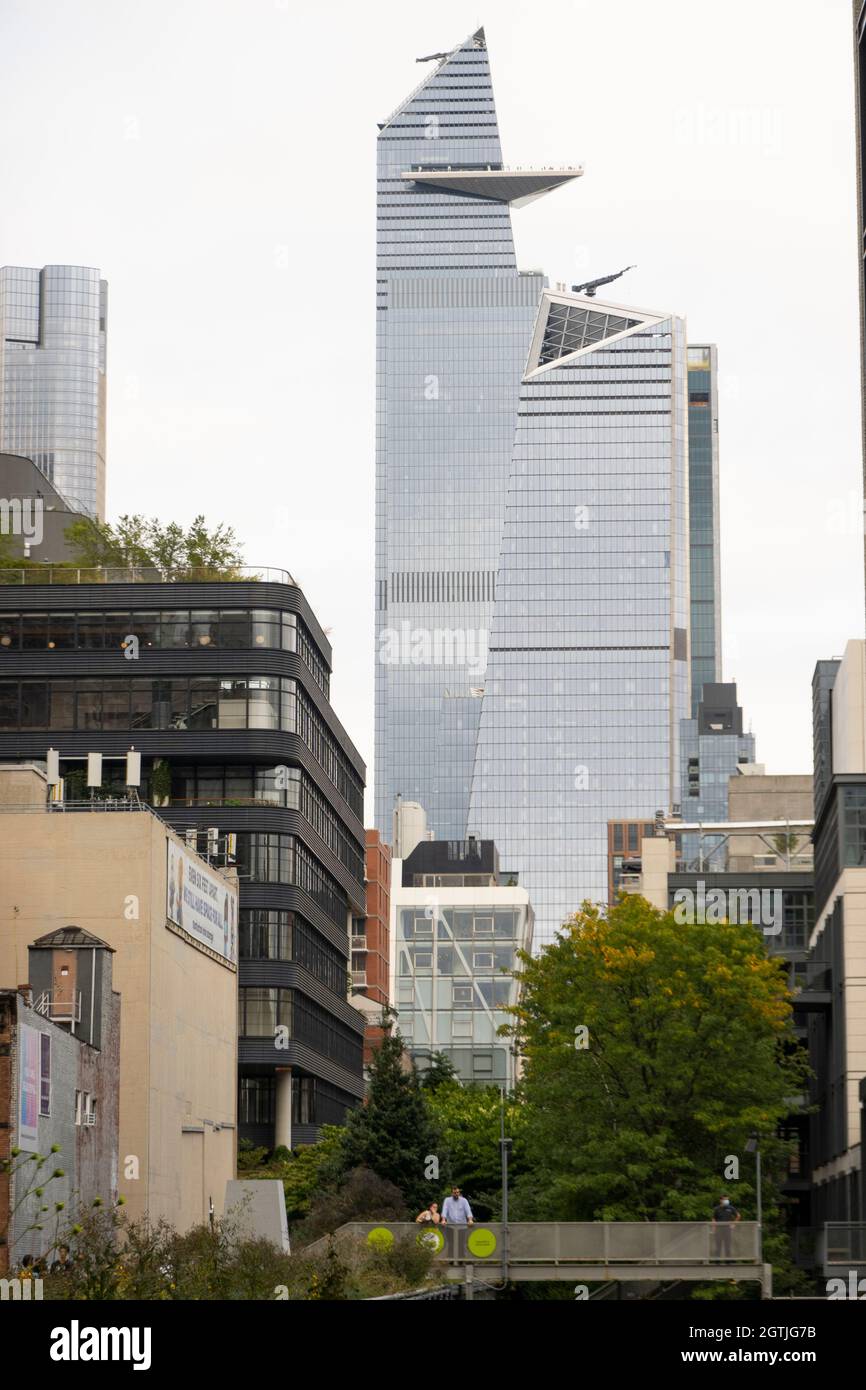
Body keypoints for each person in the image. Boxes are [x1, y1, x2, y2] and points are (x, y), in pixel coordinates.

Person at [441, 1186, 474, 1260]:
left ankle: (461, 1260)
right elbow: (444, 1210)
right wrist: (443, 1219)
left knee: (461, 1244)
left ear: (459, 1193)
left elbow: (468, 1210)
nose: (456, 1194)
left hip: (462, 1226)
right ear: (451, 1193)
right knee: (451, 1244)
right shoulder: (447, 1200)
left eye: (458, 1192)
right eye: (455, 1193)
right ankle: (451, 1260)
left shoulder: (464, 1200)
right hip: (451, 1226)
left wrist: (470, 1219)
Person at [711, 1195, 741, 1261]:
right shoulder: (717, 1209)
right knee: (718, 1245)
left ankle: (728, 1261)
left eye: (727, 1199)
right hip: (719, 1229)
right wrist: (713, 1228)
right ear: (721, 1200)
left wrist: (733, 1224)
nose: (726, 1201)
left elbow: (738, 1216)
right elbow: (713, 1218)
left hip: (727, 1229)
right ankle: (717, 1261)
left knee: (728, 1245)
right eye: (725, 1199)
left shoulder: (731, 1208)